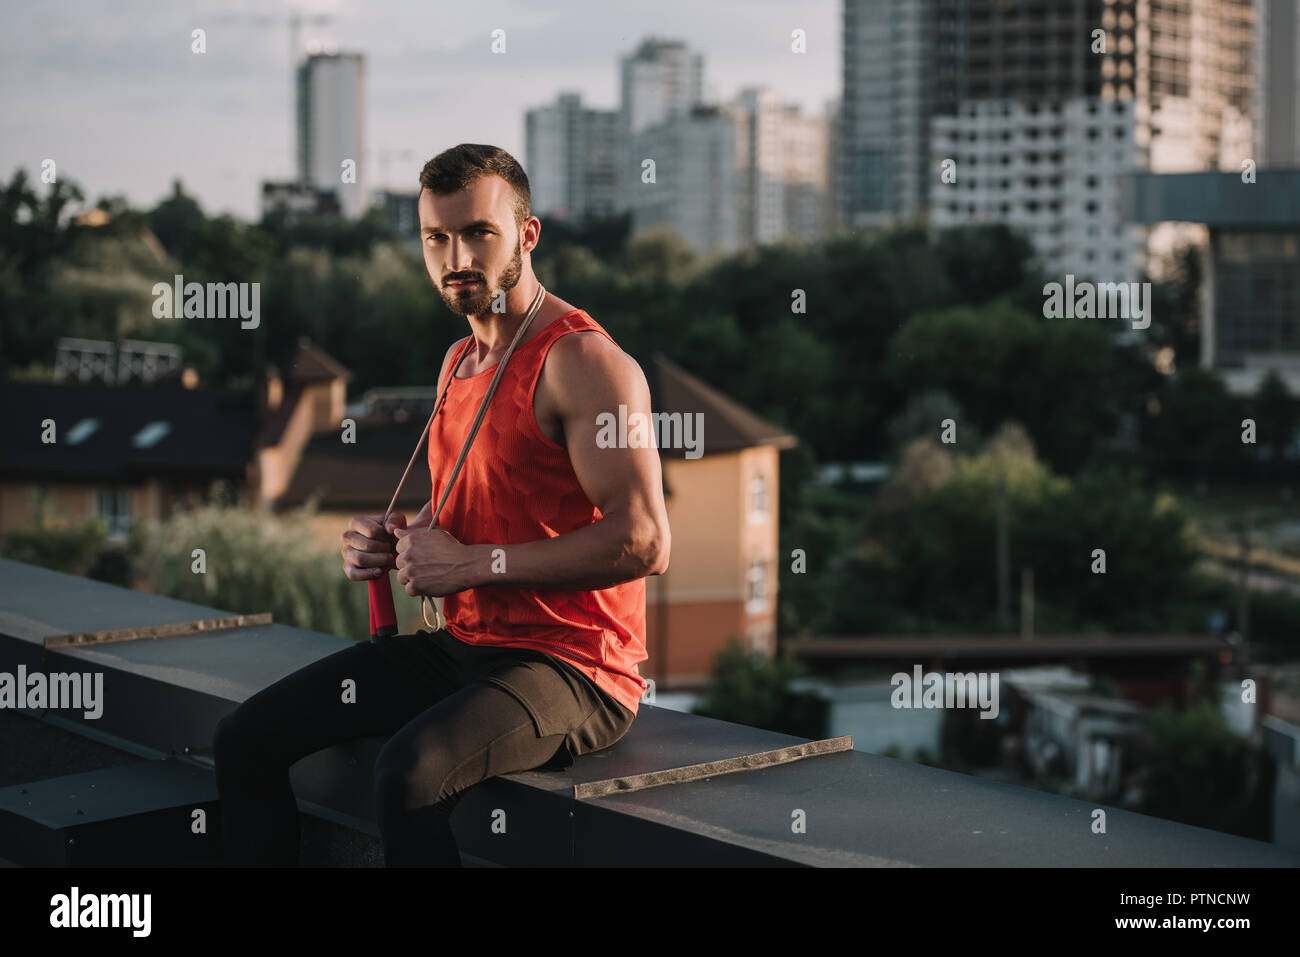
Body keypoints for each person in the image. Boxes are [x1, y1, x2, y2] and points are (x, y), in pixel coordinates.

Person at [213, 143, 671, 867]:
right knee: (243, 737)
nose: (456, 255)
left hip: (573, 666)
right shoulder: (459, 362)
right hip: (465, 646)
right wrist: (395, 539)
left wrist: (474, 563)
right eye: (436, 237)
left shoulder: (583, 364)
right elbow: (468, 512)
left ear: (527, 235)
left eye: (478, 233)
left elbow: (645, 541)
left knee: (408, 774)